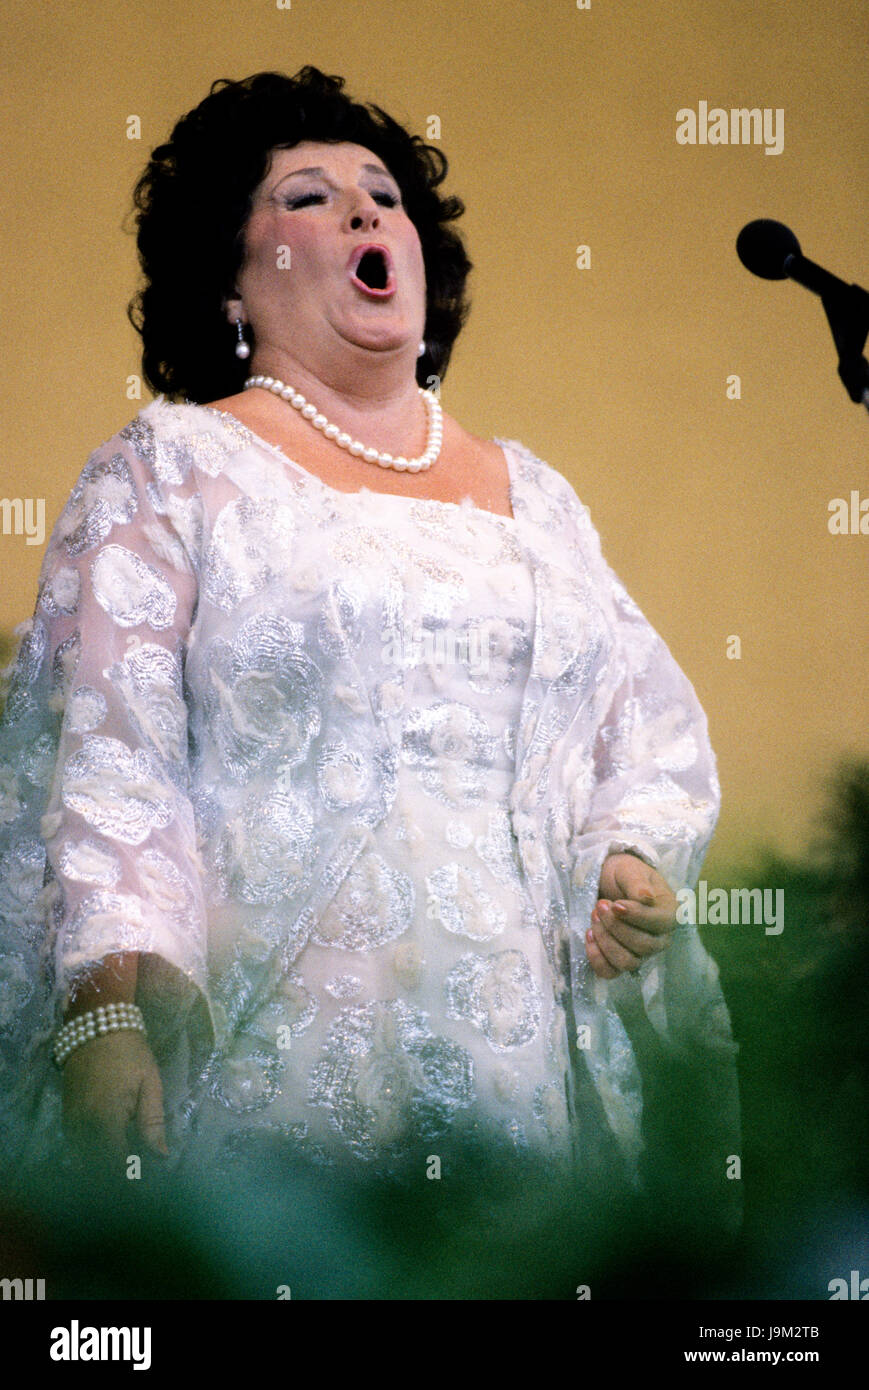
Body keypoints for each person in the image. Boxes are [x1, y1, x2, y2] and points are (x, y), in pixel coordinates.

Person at [0, 68, 739, 1219]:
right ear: (230, 285)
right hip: (278, 1068)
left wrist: (627, 856)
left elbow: (638, 724)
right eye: (305, 195)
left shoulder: (535, 496)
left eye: (383, 193)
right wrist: (102, 1016)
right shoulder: (170, 467)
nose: (363, 211)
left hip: (521, 1072)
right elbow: (107, 757)